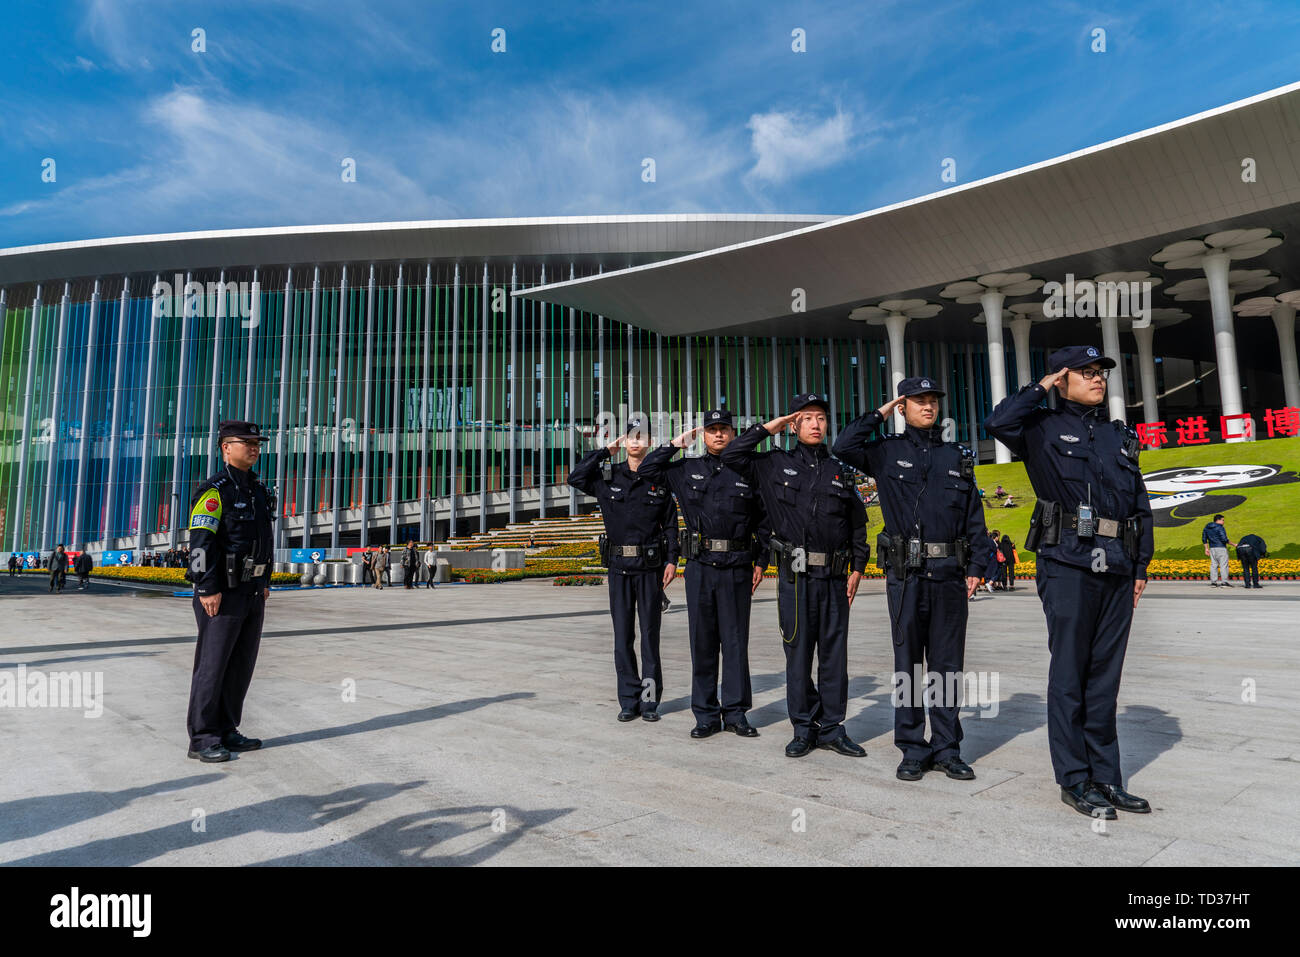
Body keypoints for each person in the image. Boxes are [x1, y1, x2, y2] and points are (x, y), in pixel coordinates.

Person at [985, 345, 1154, 821]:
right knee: (1070, 674)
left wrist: (1141, 565)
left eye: (1100, 372)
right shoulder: (1039, 429)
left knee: (1104, 675)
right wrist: (1042, 385)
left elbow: (1139, 501)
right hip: (1067, 561)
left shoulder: (1117, 435)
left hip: (1117, 564)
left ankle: (1106, 777)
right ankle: (1075, 779)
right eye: (1085, 372)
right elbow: (996, 422)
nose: (1097, 379)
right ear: (1062, 377)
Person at [832, 377, 987, 781]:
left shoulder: (958, 456)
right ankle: (912, 747)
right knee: (908, 667)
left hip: (950, 575)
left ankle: (947, 747)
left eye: (933, 400)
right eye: (918, 400)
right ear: (903, 406)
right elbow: (843, 445)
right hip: (906, 576)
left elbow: (974, 516)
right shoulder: (885, 453)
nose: (928, 406)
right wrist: (882, 410)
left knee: (947, 666)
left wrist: (977, 566)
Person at [723, 393, 870, 759]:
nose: (816, 424)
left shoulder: (840, 470)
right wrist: (770, 426)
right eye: (807, 418)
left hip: (835, 578)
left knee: (835, 656)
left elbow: (856, 525)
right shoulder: (773, 464)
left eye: (821, 418)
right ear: (794, 425)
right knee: (799, 654)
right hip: (797, 579)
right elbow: (732, 455)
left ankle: (833, 728)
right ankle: (803, 727)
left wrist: (858, 568)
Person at [640, 409, 771, 740]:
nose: (718, 435)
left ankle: (737, 712)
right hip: (700, 567)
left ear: (732, 432)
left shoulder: (748, 469)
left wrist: (761, 561)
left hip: (739, 566)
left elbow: (765, 519)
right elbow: (647, 469)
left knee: (736, 643)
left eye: (723, 429)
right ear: (704, 434)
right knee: (703, 642)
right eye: (711, 430)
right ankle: (706, 714)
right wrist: (677, 444)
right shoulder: (686, 469)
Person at [568, 416, 680, 722]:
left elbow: (671, 525)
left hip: (649, 569)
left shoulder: (659, 479)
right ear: (624, 440)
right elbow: (575, 478)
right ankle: (628, 700)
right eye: (630, 435)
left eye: (641, 435)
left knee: (649, 636)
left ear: (648, 442)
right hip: (618, 568)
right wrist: (606, 451)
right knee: (622, 638)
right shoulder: (608, 477)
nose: (635, 440)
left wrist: (673, 559)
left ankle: (649, 701)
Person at [184, 420, 276, 763]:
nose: (254, 448)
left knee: (240, 665)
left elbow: (262, 540)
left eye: (257, 443)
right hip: (221, 592)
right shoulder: (215, 490)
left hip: (251, 591)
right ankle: (203, 737)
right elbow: (201, 542)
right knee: (213, 665)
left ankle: (227, 729)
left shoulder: (257, 489)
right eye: (246, 442)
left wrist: (264, 582)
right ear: (226, 447)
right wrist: (206, 587)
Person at [1202, 514, 1235, 588]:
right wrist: (1234, 544)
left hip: (1212, 548)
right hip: (1221, 548)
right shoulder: (1220, 527)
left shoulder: (1207, 527)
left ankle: (1213, 582)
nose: (1223, 522)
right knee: (1224, 565)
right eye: (1223, 520)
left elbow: (1204, 539)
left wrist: (1206, 548)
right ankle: (1224, 582)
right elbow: (1224, 539)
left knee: (1213, 565)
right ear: (1218, 520)